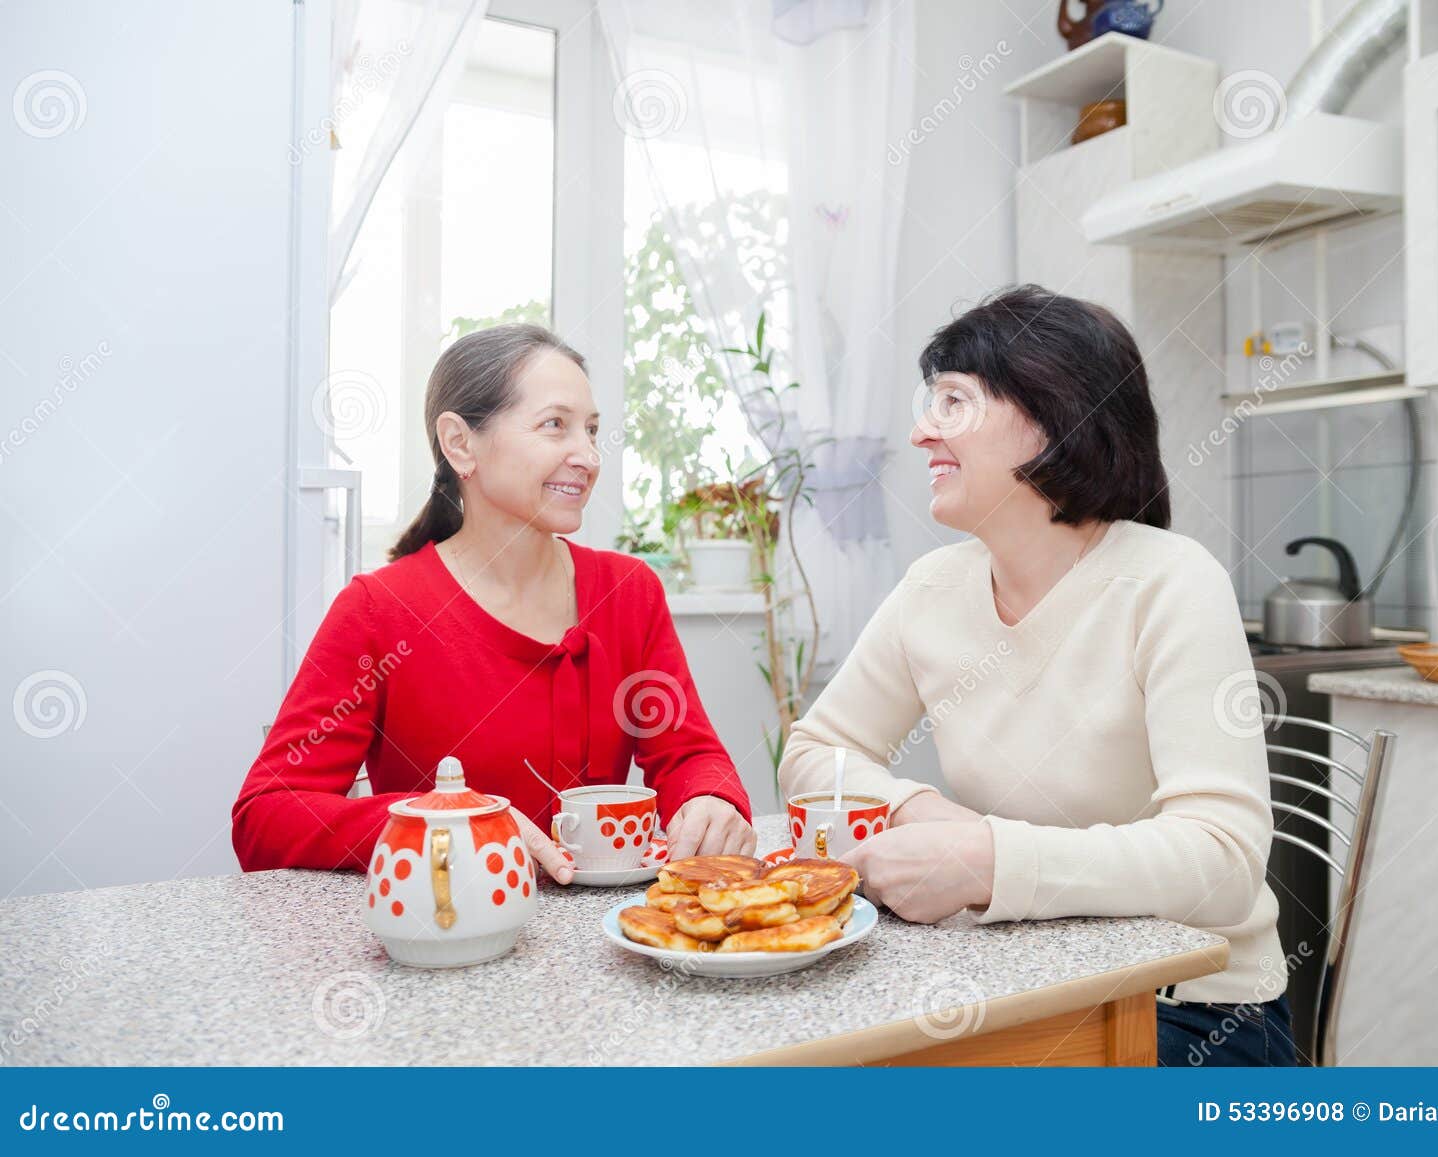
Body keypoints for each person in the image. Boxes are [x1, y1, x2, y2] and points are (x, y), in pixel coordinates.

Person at [778, 285, 1294, 1066]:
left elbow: (1222, 859)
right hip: (1025, 979)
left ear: (1054, 414)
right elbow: (814, 753)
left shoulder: (1169, 582)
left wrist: (989, 860)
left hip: (1189, 1011)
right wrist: (921, 810)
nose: (922, 431)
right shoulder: (933, 588)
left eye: (953, 401)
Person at [233, 324, 754, 882]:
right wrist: (443, 825)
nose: (588, 455)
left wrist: (712, 800)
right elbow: (266, 814)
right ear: (460, 443)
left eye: (593, 430)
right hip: (452, 942)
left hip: (604, 944)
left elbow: (688, 756)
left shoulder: (629, 592)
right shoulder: (379, 610)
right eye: (555, 425)